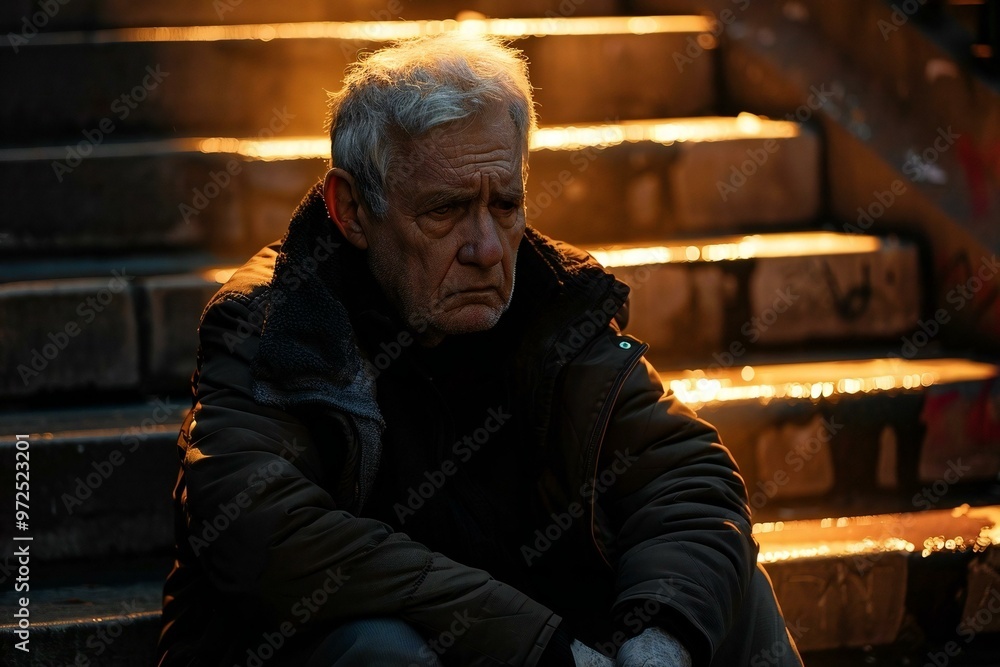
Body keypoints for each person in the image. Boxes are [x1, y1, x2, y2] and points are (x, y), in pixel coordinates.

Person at [157, 32, 803, 667]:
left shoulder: (552, 300)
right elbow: (257, 527)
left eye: (507, 204)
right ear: (351, 209)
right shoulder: (271, 320)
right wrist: (539, 643)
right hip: (350, 646)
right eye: (446, 210)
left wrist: (659, 645)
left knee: (716, 594)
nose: (488, 247)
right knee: (385, 650)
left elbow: (688, 475)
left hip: (534, 639)